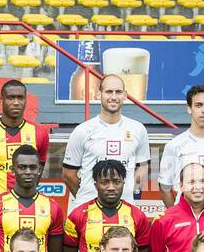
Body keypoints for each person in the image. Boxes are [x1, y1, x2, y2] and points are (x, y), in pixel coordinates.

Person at [61, 74, 151, 209]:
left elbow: (143, 167)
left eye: (118, 92)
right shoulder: (82, 130)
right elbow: (68, 174)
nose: (113, 97)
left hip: (124, 209)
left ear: (125, 95)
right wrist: (87, 197)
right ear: (99, 94)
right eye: (109, 92)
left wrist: (129, 191)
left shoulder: (138, 129)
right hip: (88, 210)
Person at [62, 159, 151, 252]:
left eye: (116, 182)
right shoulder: (78, 215)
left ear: (123, 183)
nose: (111, 187)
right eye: (104, 182)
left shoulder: (137, 216)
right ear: (95, 184)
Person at [0, 79, 50, 209]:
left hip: (27, 207)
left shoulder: (40, 133)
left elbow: (37, 173)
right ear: (2, 100)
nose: (16, 102)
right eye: (11, 98)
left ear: (25, 100)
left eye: (20, 98)